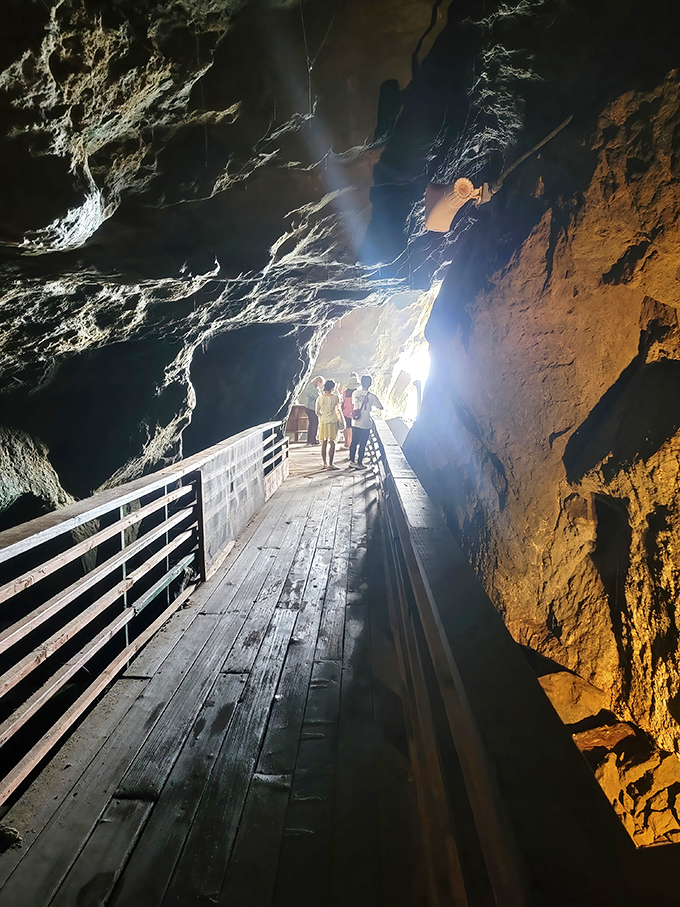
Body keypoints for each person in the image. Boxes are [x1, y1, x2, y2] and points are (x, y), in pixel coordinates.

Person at [349, 375, 383, 468]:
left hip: (355, 421)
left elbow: (354, 404)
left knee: (354, 442)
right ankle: (359, 463)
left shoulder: (355, 393)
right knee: (363, 443)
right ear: (370, 384)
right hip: (365, 423)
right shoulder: (371, 396)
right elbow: (381, 407)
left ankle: (351, 461)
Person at [316, 379, 344, 469]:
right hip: (333, 421)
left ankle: (325, 463)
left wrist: (323, 415)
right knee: (332, 443)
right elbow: (339, 406)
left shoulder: (320, 398)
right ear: (333, 387)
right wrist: (336, 390)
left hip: (324, 422)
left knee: (324, 442)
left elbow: (317, 411)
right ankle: (331, 464)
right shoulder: (335, 397)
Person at [300, 376, 323, 445]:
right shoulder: (312, 389)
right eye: (320, 383)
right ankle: (312, 440)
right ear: (318, 381)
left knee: (313, 424)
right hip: (311, 408)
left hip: (310, 407)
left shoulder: (312, 386)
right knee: (314, 423)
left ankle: (311, 440)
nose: (320, 386)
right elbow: (317, 397)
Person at [341, 372, 360, 450]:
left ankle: (346, 443)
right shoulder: (357, 393)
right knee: (352, 429)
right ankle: (351, 443)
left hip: (345, 412)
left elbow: (343, 402)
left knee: (346, 428)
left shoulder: (345, 393)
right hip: (354, 413)